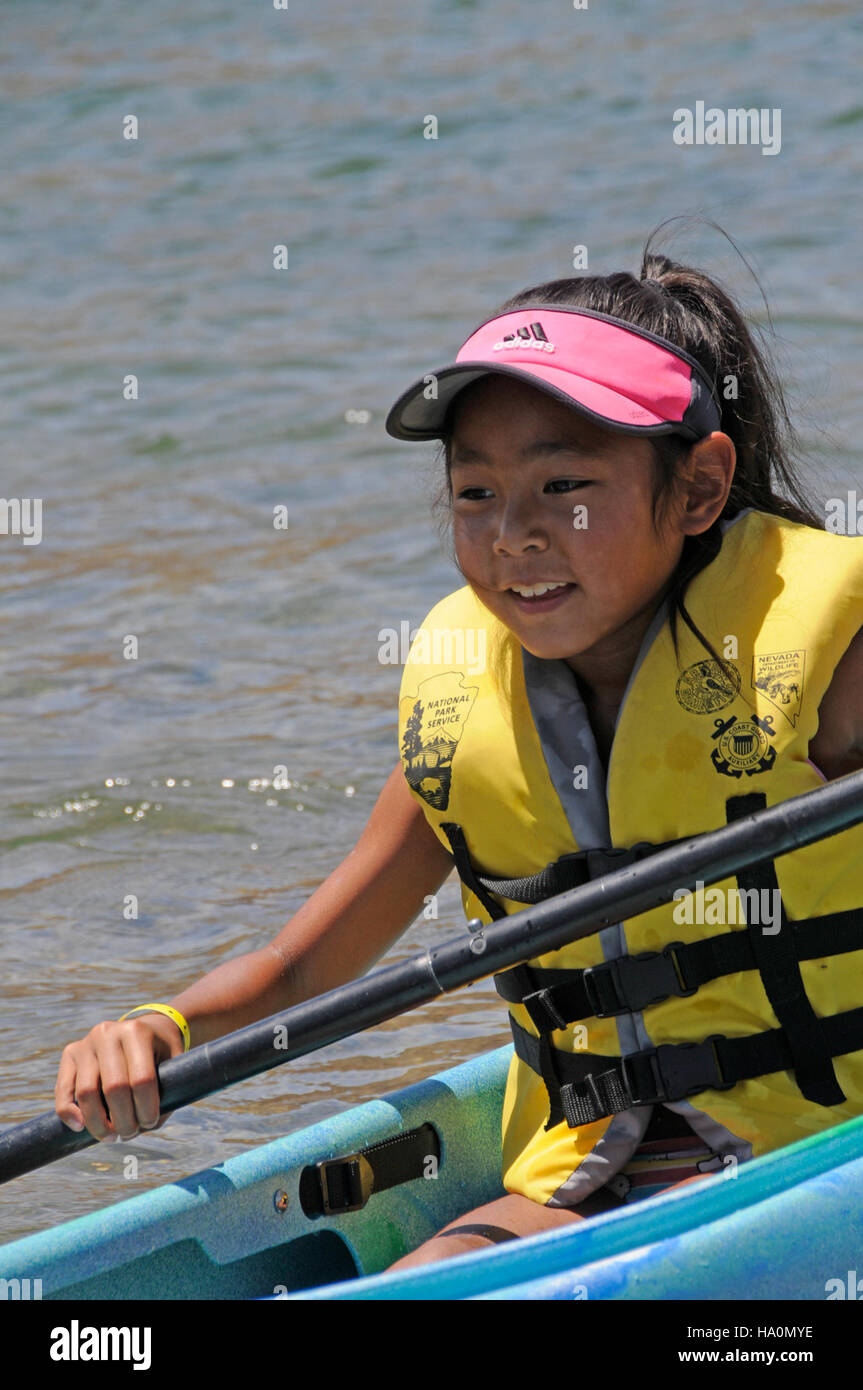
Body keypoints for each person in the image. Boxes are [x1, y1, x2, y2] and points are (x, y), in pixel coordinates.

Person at [54, 232, 863, 1271]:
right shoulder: (465, 705)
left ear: (699, 488)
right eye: (474, 493)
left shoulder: (827, 654)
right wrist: (161, 1026)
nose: (511, 536)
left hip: (822, 1154)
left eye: (562, 486)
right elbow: (307, 963)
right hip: (582, 1169)